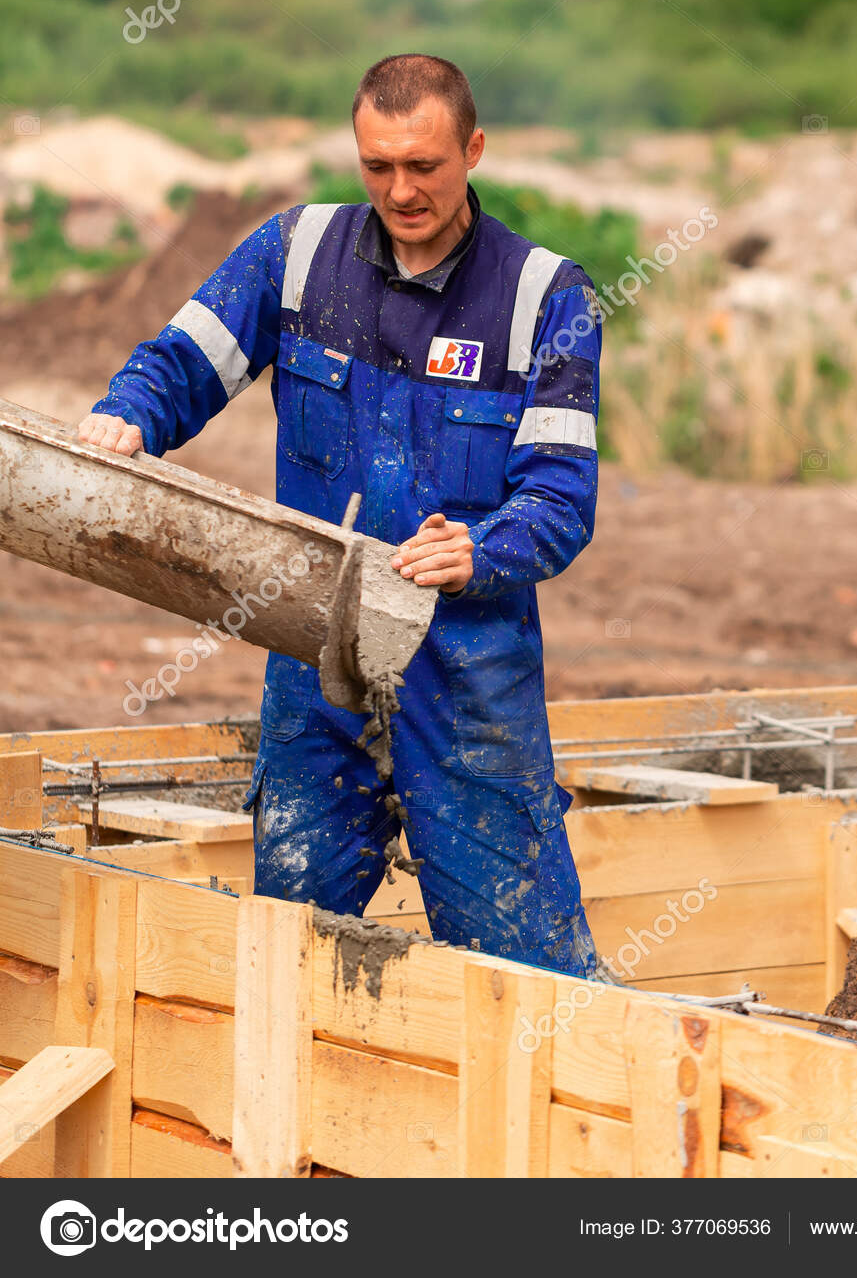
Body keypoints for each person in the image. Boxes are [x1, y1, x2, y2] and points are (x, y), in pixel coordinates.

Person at [79, 53, 601, 976]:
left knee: (528, 977)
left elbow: (561, 499)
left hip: (469, 676)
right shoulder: (294, 255)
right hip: (317, 661)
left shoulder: (541, 297)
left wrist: (480, 548)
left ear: (473, 150)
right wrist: (127, 416)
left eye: (425, 166)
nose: (401, 190)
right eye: (378, 166)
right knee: (288, 957)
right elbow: (182, 365)